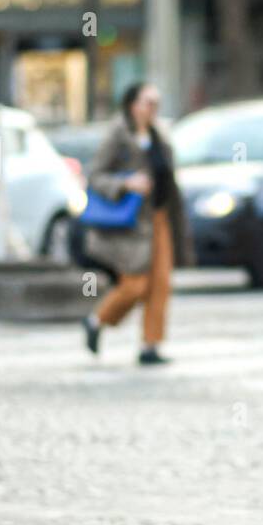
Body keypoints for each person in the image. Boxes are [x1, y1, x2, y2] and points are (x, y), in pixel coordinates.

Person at [82, 82, 193, 365]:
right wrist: (126, 183)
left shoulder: (159, 135)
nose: (153, 109)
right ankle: (96, 320)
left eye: (157, 103)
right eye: (148, 102)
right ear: (133, 105)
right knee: (135, 285)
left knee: (161, 284)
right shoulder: (118, 134)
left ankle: (150, 345)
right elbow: (95, 175)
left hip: (160, 218)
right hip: (130, 225)